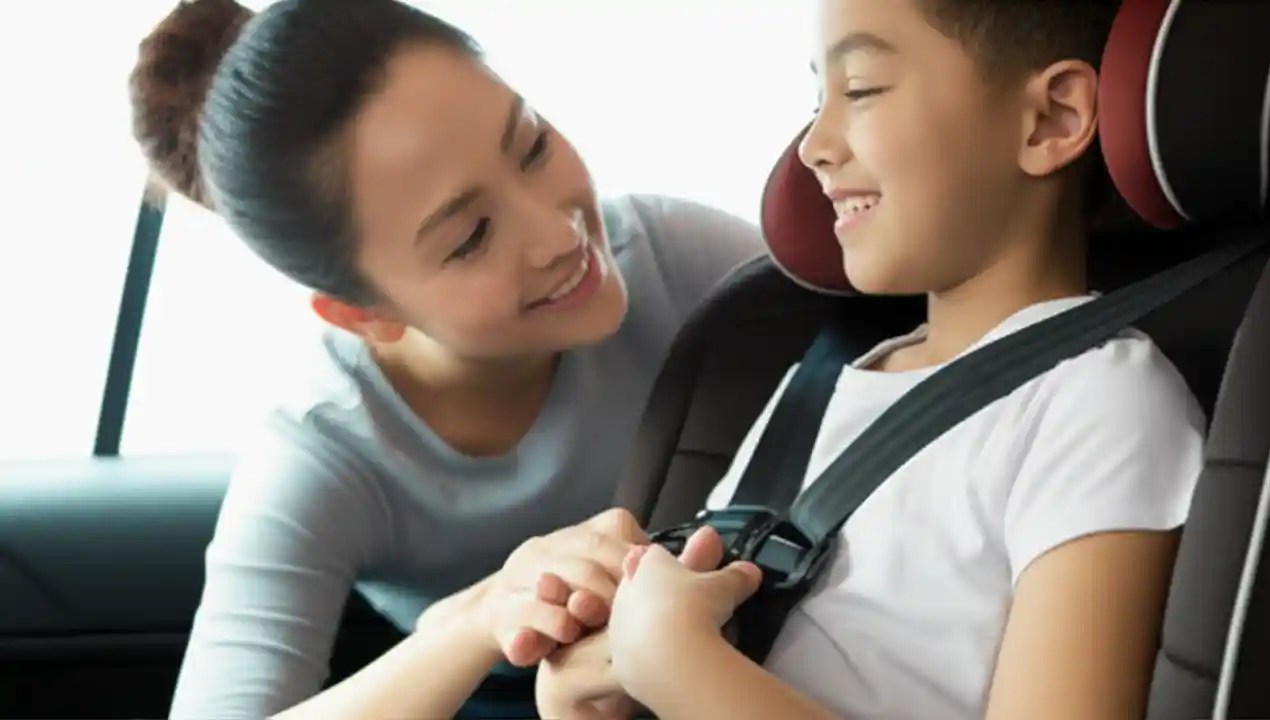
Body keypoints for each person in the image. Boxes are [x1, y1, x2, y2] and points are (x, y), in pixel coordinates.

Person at [535, 0, 1206, 718]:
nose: (812, 145)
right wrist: (603, 684)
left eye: (860, 90)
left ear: (1052, 119)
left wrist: (677, 665)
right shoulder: (814, 382)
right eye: (816, 98)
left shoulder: (1097, 401)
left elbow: (687, 669)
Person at [127, 0, 765, 717]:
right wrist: (478, 618)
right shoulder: (327, 447)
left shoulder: (677, 258)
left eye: (530, 146)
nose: (558, 235)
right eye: (470, 239)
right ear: (364, 313)